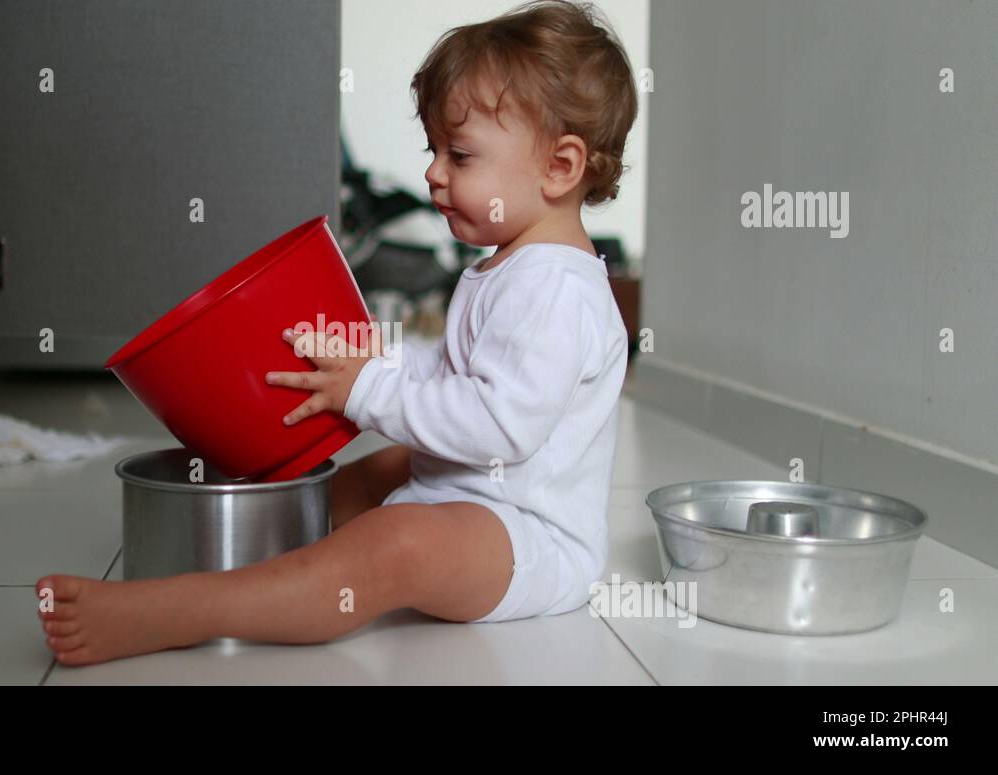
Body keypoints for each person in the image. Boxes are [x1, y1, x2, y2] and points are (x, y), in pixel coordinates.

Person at [36, 0, 637, 665]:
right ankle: (273, 572)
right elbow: (452, 370)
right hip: (476, 496)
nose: (434, 172)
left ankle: (184, 609)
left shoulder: (558, 289)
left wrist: (369, 389)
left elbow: (500, 425)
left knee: (396, 545)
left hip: (531, 539)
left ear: (560, 167)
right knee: (357, 480)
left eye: (460, 154)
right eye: (433, 149)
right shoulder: (508, 266)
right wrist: (373, 352)